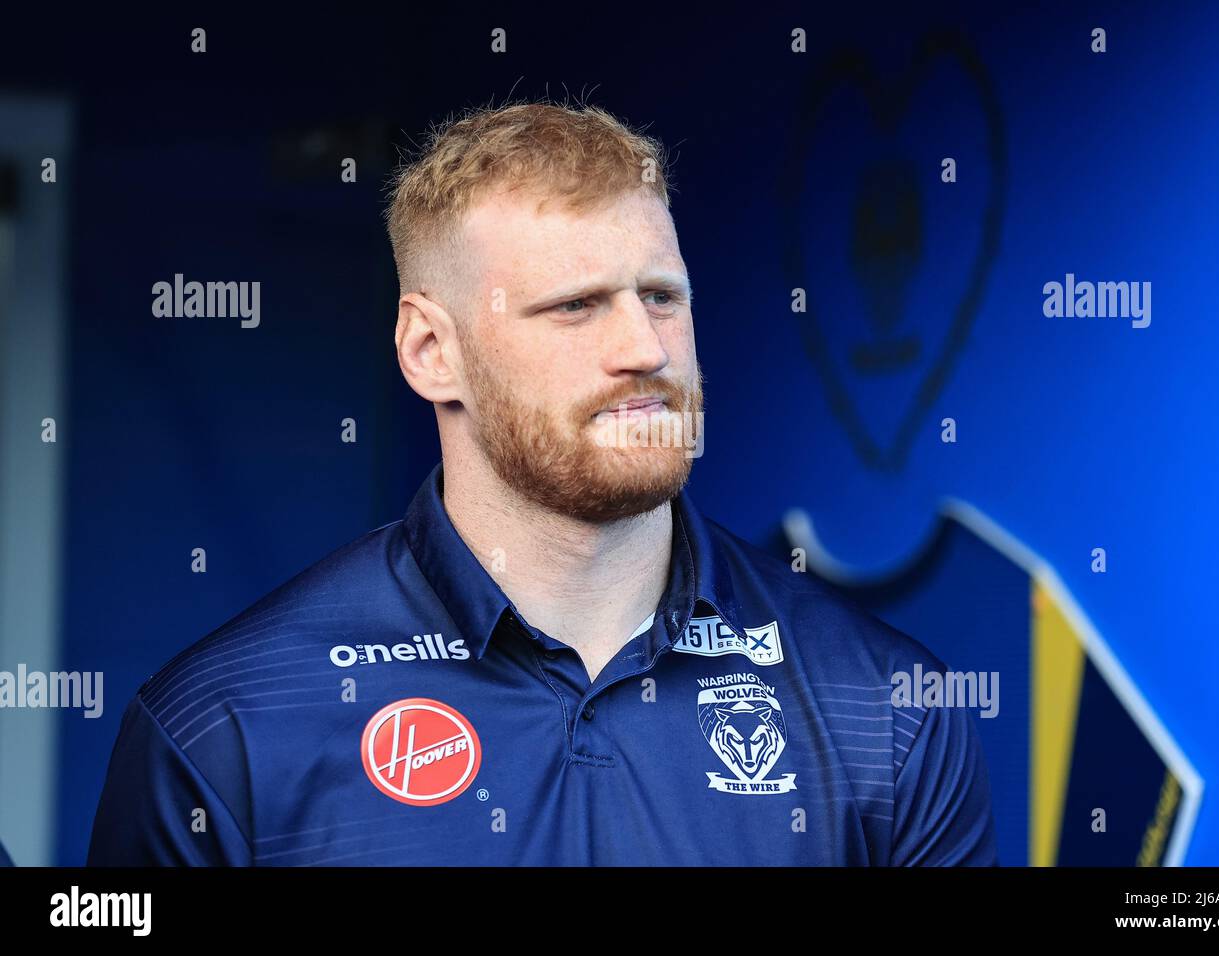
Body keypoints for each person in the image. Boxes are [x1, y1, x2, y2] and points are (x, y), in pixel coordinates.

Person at [88, 100, 996, 865]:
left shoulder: (884, 709)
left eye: (661, 296)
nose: (644, 349)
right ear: (431, 350)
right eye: (576, 306)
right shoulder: (228, 726)